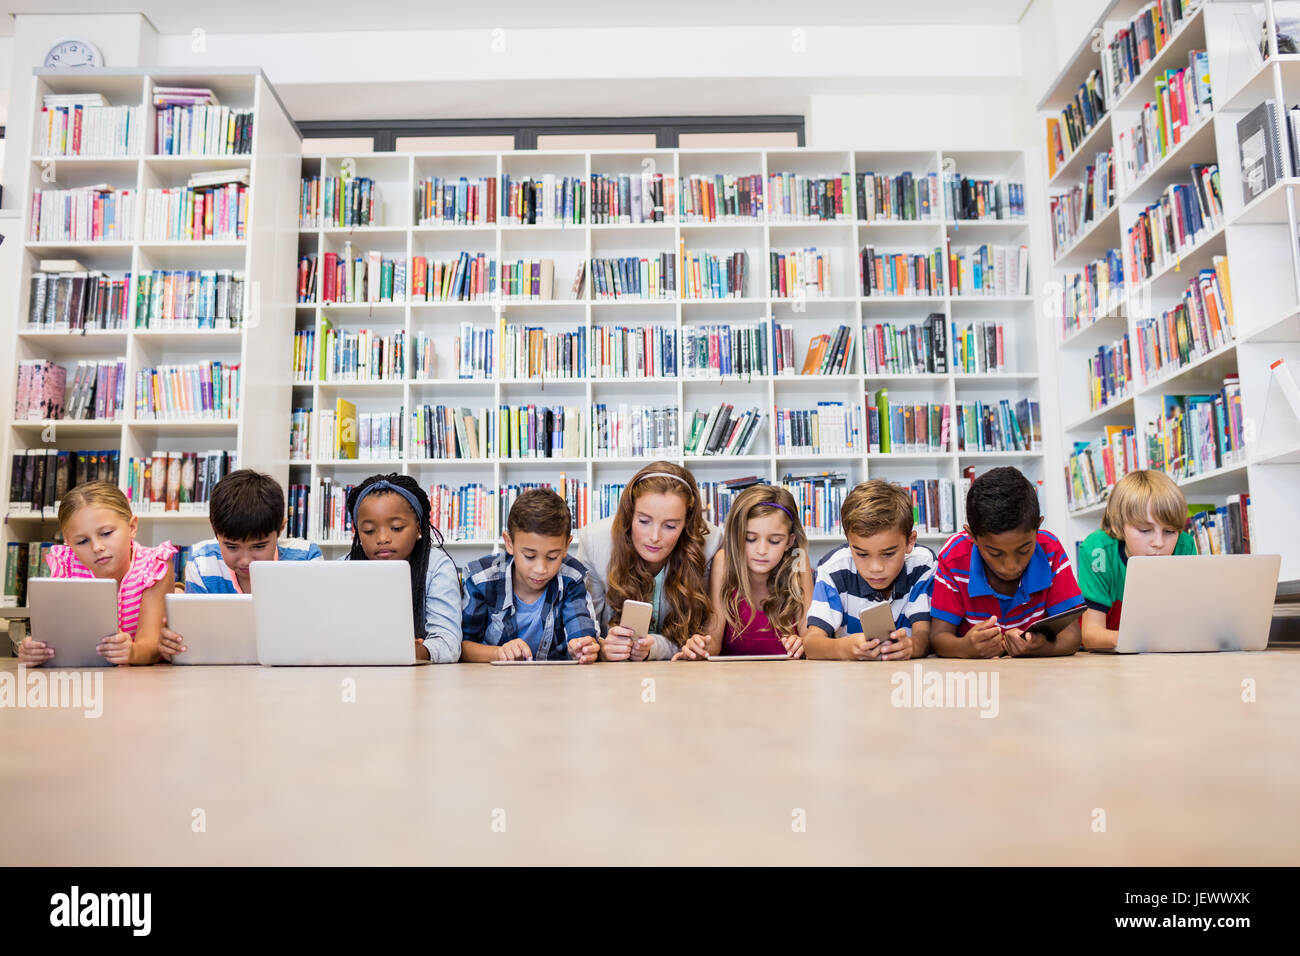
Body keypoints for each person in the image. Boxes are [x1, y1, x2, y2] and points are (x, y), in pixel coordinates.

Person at [159, 469, 321, 658]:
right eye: (232, 547)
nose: (245, 560)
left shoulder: (305, 559)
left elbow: (317, 629)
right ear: (215, 530)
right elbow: (197, 636)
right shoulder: (202, 562)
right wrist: (176, 642)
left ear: (281, 529)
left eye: (259, 546)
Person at [930, 466, 1083, 658]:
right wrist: (964, 648)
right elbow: (938, 637)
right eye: (995, 553)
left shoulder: (1050, 550)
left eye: (1024, 549)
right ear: (972, 537)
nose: (1011, 566)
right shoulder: (955, 556)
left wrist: (1040, 648)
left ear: (1038, 526)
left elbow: (1072, 637)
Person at [575, 461, 721, 661]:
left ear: (687, 524)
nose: (654, 536)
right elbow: (584, 631)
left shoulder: (710, 543)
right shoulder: (594, 542)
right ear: (629, 514)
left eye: (670, 526)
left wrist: (656, 647)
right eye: (643, 521)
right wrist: (602, 647)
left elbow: (703, 639)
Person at [18, 480, 174, 666]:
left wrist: (133, 652)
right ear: (68, 542)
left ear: (132, 527)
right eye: (82, 541)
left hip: (146, 680)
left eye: (106, 533)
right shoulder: (67, 566)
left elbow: (151, 645)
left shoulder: (154, 566)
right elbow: (58, 637)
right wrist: (34, 649)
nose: (97, 547)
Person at [460, 488, 599, 663]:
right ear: (509, 543)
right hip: (495, 685)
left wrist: (583, 648)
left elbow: (584, 635)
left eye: (552, 557)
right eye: (529, 556)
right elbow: (462, 647)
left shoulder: (572, 578)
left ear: (566, 546)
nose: (541, 569)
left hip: (557, 683)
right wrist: (497, 653)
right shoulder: (482, 579)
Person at [673, 484, 811, 660]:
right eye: (750, 539)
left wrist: (803, 643)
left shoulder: (798, 560)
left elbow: (810, 638)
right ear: (736, 537)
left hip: (789, 680)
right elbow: (713, 642)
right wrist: (700, 647)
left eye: (775, 541)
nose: (761, 550)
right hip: (732, 682)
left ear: (790, 542)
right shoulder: (724, 561)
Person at [802, 480, 936, 661]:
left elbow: (926, 635)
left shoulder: (923, 565)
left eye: (888, 554)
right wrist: (844, 648)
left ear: (910, 541)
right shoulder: (833, 568)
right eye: (862, 554)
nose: (876, 568)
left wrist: (912, 647)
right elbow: (811, 643)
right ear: (849, 542)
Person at [343, 473, 462, 663]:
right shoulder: (342, 568)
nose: (382, 539)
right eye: (369, 531)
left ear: (418, 529)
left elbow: (449, 643)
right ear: (357, 533)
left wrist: (416, 651)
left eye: (396, 528)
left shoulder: (437, 567)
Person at [1076, 470, 1197, 652]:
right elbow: (1091, 635)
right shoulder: (1097, 550)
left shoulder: (1184, 546)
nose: (1158, 543)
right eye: (1144, 530)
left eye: (1170, 531)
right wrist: (1148, 640)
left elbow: (1192, 621)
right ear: (1118, 525)